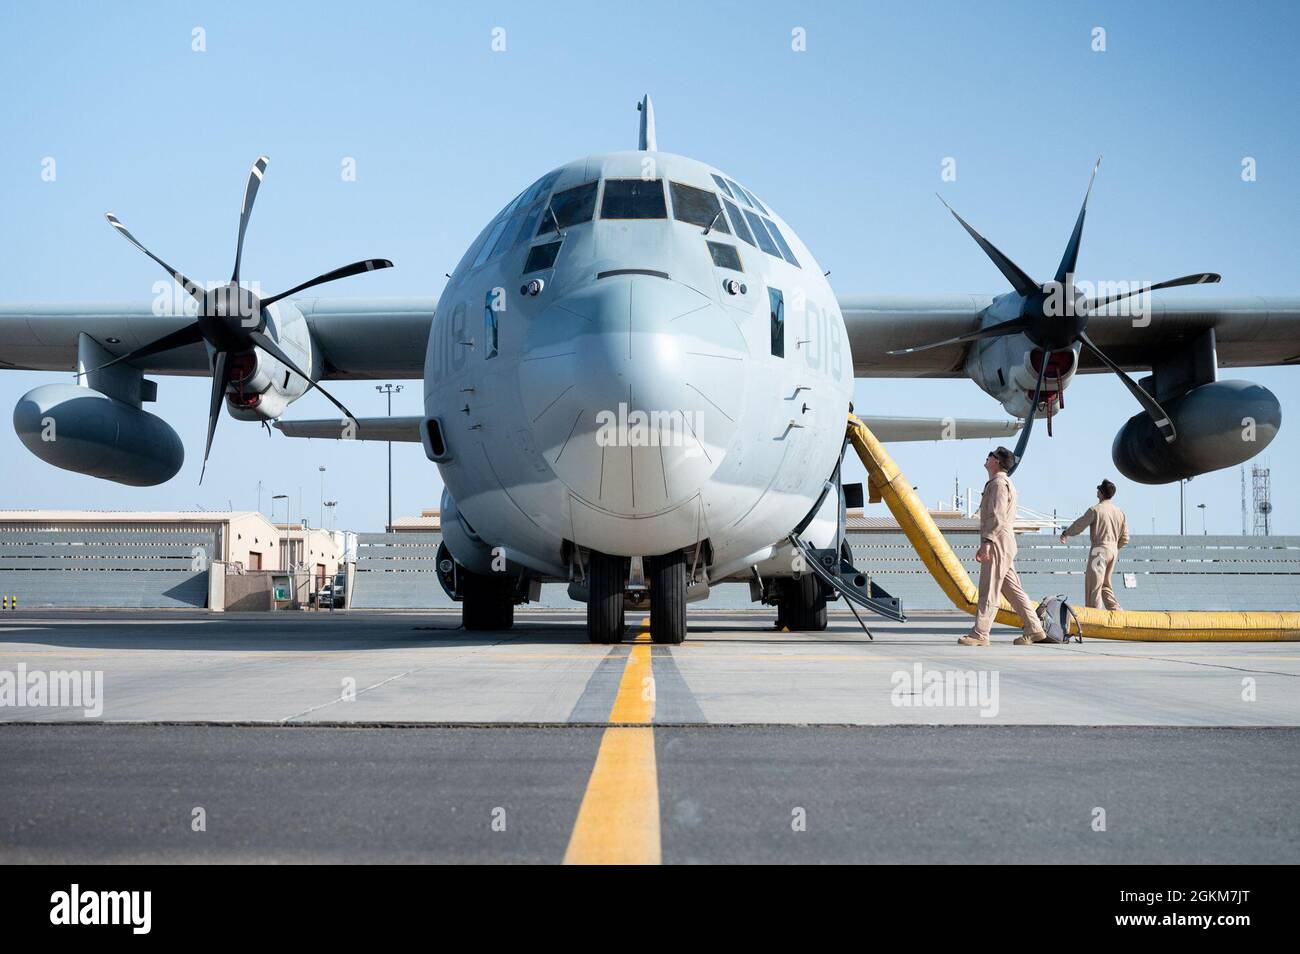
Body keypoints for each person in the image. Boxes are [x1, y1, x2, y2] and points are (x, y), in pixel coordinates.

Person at [959, 447, 1048, 647]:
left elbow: (997, 517)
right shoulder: (1001, 483)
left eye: (991, 455)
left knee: (989, 588)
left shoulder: (999, 484)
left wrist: (987, 543)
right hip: (1003, 540)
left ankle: (980, 633)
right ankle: (1034, 628)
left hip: (998, 539)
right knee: (1013, 590)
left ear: (997, 461)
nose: (987, 456)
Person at [1060, 478, 1130, 611]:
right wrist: (1114, 547)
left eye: (1098, 489)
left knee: (1093, 586)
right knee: (1105, 584)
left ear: (1101, 493)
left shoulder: (1095, 510)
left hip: (1099, 550)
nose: (1096, 491)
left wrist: (1066, 533)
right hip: (1113, 550)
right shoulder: (1120, 512)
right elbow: (1125, 538)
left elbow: (1079, 525)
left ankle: (1094, 618)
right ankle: (1116, 612)